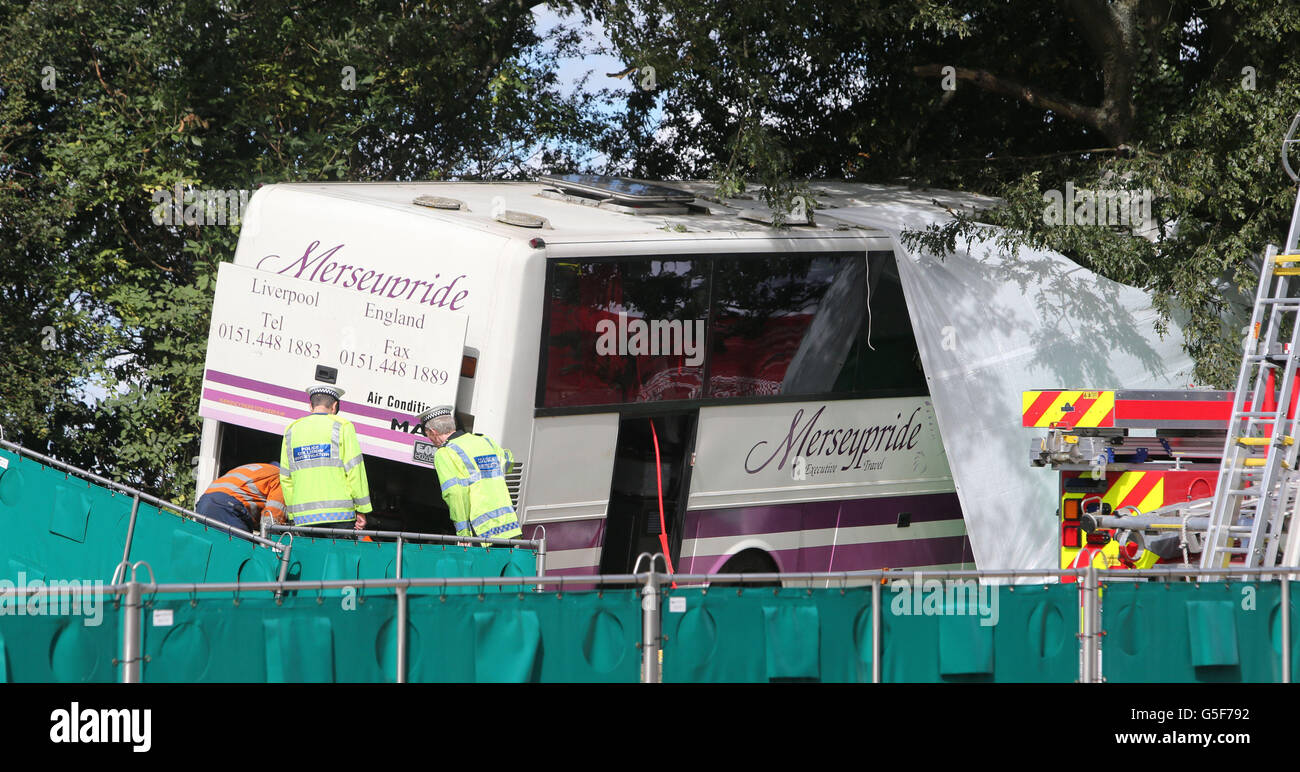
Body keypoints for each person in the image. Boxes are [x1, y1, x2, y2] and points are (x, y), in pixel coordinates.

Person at [417, 405, 521, 541]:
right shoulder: (484, 440)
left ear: (433, 432)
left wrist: (464, 535)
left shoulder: (445, 453)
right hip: (509, 528)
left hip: (481, 533)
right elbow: (509, 464)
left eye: (427, 434)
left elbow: (456, 493)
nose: (428, 438)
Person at [280, 385, 372, 531]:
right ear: (334, 406)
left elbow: (285, 477)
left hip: (303, 517)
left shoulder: (291, 430)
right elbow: (355, 470)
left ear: (310, 406)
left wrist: (293, 513)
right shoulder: (343, 426)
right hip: (340, 515)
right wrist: (361, 509)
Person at [195, 462, 287, 533]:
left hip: (203, 504)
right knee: (243, 552)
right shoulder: (280, 478)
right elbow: (271, 521)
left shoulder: (260, 468)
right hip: (228, 508)